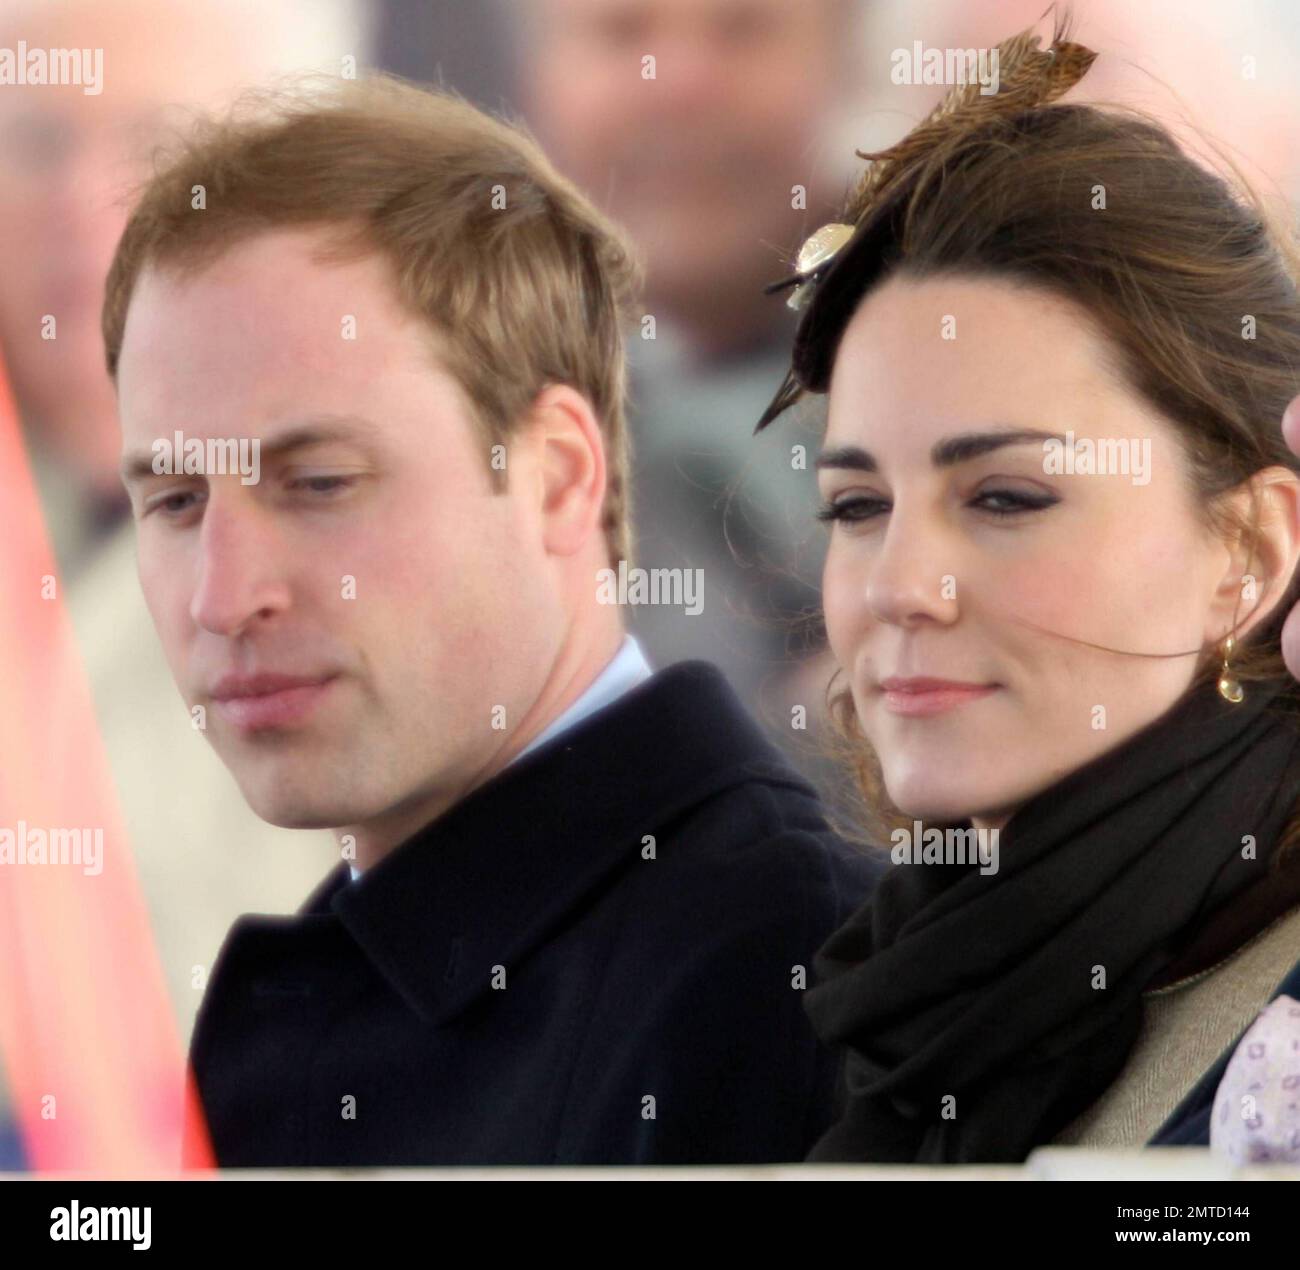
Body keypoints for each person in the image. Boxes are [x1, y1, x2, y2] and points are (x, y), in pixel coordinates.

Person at [102, 74, 881, 1166]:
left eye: (318, 481)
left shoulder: (789, 980)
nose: (222, 597)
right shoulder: (352, 972)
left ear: (558, 476)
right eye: (176, 500)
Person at [754, 15, 1300, 1164]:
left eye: (1005, 498)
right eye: (857, 507)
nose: (901, 587)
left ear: (1248, 550)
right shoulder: (890, 1001)